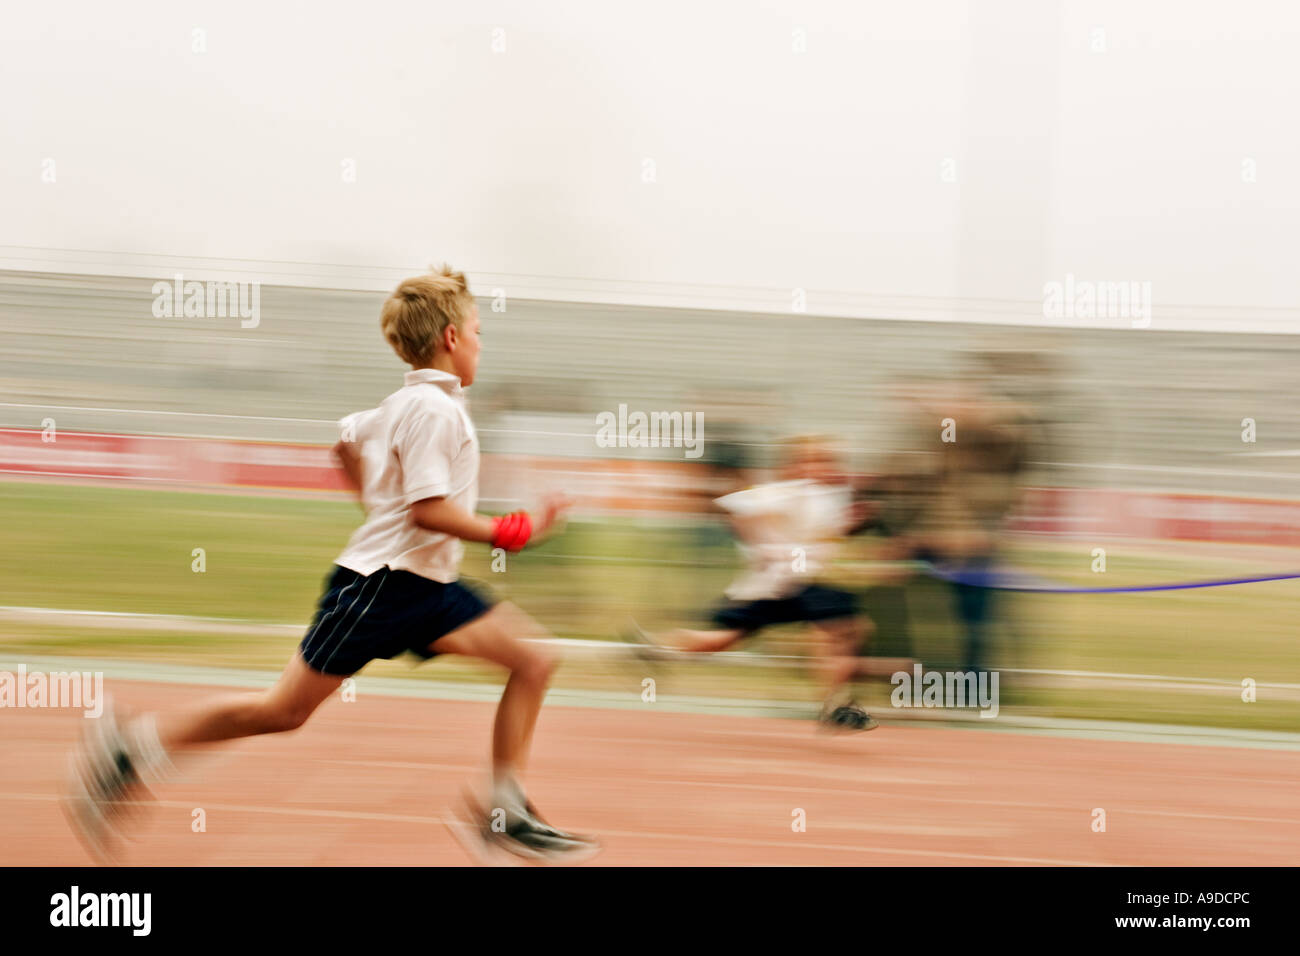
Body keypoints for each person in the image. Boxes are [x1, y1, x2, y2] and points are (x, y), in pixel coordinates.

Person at [64, 265, 600, 864]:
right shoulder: (433, 410)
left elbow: (346, 439)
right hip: (381, 589)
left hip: (423, 586)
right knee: (282, 711)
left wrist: (376, 507)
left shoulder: (410, 403)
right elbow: (427, 510)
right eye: (478, 330)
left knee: (534, 657)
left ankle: (502, 813)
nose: (482, 342)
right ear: (451, 337)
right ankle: (129, 751)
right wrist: (511, 530)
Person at [626, 436, 878, 731]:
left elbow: (825, 534)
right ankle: (837, 706)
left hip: (791, 584)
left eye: (826, 460)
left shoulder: (827, 497)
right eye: (813, 460)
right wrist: (763, 546)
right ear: (794, 466)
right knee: (841, 628)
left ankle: (657, 648)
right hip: (785, 582)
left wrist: (851, 523)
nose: (822, 467)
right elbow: (736, 506)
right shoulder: (785, 492)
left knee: (840, 629)